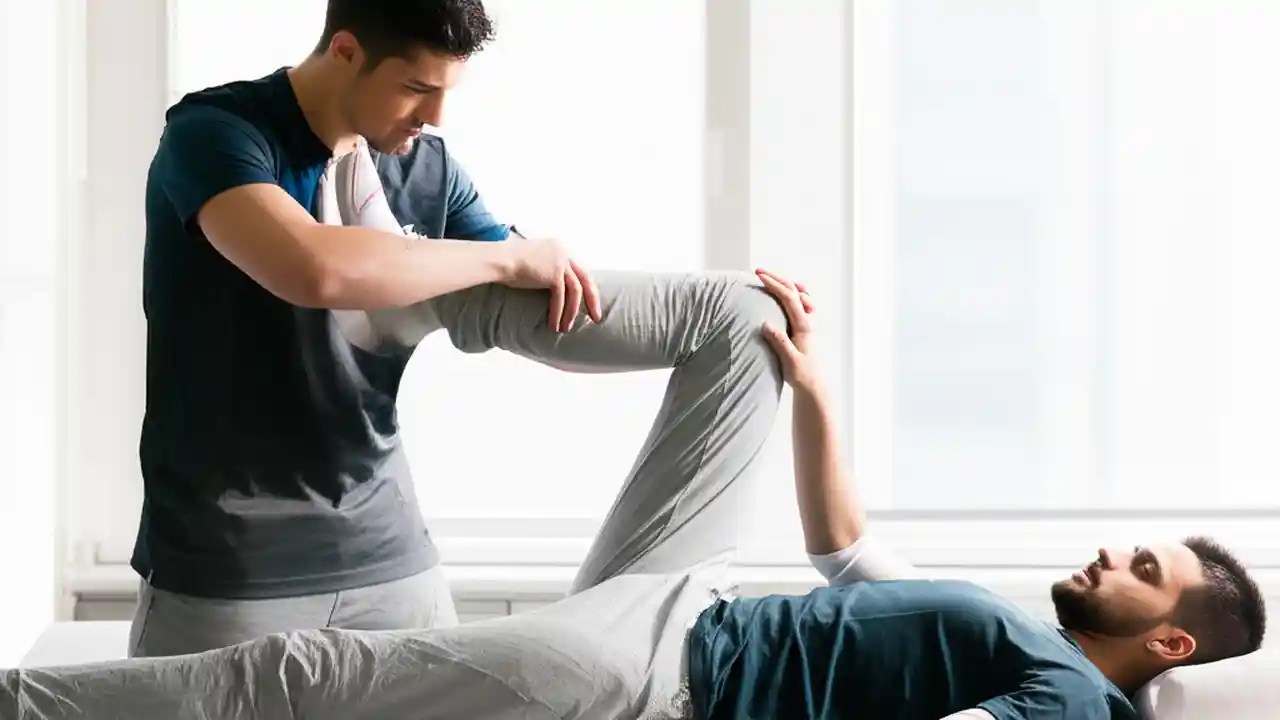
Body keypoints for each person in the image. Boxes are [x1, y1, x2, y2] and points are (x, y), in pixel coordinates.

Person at [4, 263, 1266, 719]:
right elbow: (841, 559)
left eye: (1139, 570)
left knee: (297, 686)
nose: (1110, 554)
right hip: (686, 600)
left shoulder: (1058, 701)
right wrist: (813, 388)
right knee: (739, 326)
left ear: (1162, 640)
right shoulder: (1027, 635)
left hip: (652, 677)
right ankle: (413, 282)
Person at [133, 0, 612, 657]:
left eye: (446, 92)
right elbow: (314, 270)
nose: (434, 117)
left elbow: (542, 314)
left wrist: (741, 314)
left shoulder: (427, 169)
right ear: (346, 52)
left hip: (393, 564)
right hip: (226, 572)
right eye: (416, 88)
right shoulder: (217, 134)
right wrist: (510, 254)